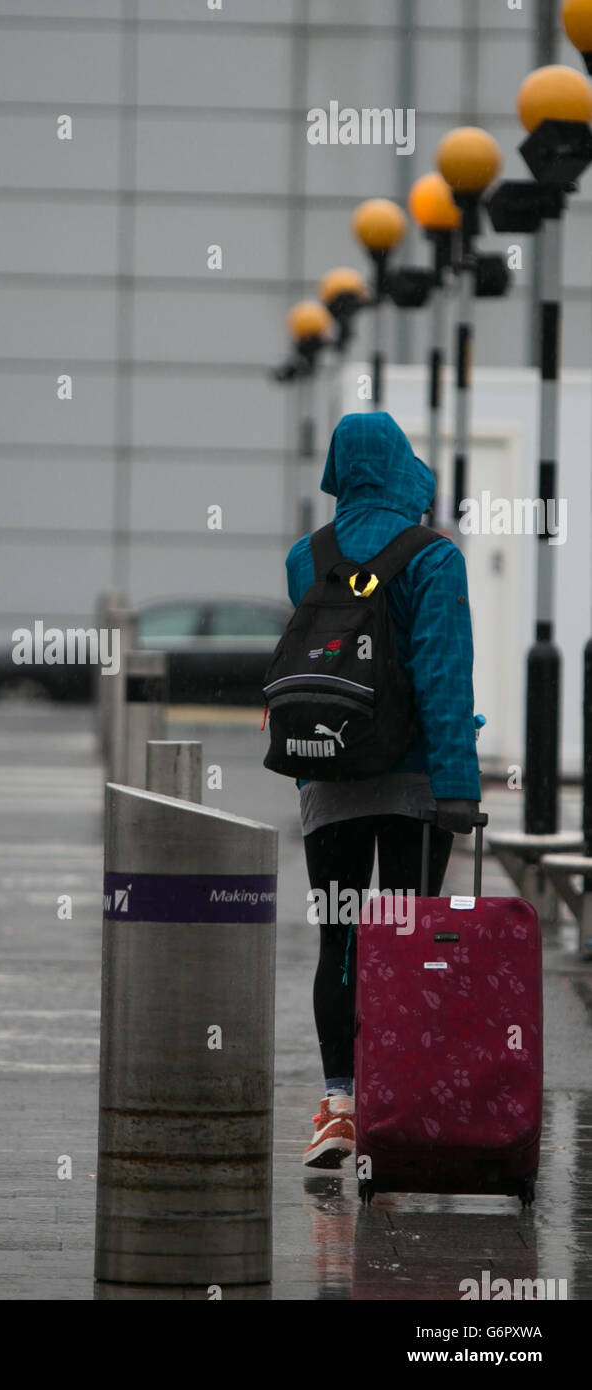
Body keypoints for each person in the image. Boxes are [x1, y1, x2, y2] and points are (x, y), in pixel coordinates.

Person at [285, 413, 481, 1169]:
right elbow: (440, 675)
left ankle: (338, 1107)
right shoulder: (433, 556)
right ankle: (401, 1105)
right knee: (407, 945)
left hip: (328, 774)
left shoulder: (307, 554)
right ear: (402, 465)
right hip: (412, 788)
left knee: (339, 936)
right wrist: (457, 787)